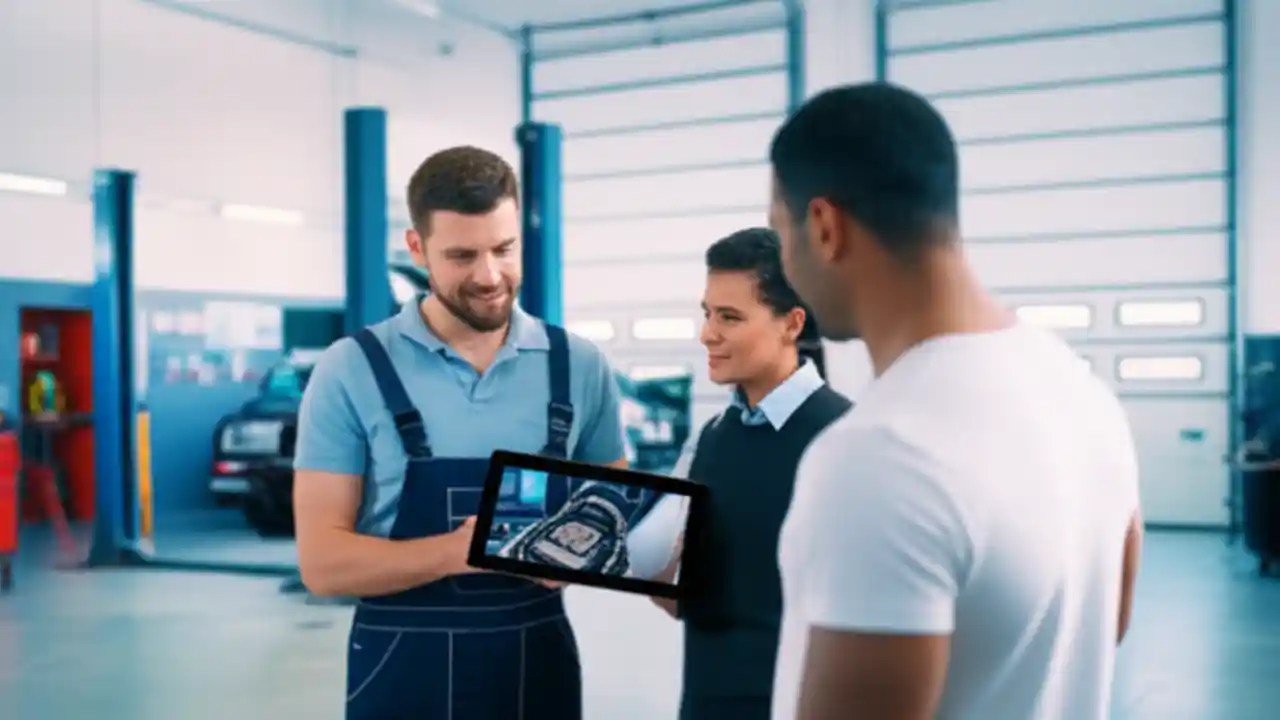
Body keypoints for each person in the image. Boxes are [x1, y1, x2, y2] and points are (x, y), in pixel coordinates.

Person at [764, 82, 1144, 720]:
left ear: (825, 227)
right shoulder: (1082, 391)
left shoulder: (882, 457)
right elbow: (1103, 629)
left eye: (781, 230)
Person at [291, 145, 628, 720]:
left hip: (536, 667)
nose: (489, 276)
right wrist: (458, 552)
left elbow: (615, 517)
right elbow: (323, 564)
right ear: (417, 248)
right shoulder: (352, 369)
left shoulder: (578, 367)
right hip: (402, 671)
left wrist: (584, 552)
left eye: (504, 249)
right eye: (463, 256)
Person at [626, 228, 853, 720]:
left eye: (729, 317)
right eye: (708, 313)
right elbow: (713, 598)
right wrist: (653, 575)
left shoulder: (844, 439)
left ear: (791, 324)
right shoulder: (717, 435)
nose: (708, 333)